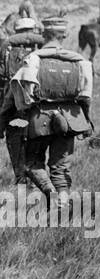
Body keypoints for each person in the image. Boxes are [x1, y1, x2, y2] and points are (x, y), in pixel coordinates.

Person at [6, 18, 93, 210]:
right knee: (61, 167)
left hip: (39, 120)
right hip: (71, 120)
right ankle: (62, 203)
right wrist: (87, 122)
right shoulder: (82, 62)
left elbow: (22, 95)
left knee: (32, 163)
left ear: (44, 35)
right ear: (65, 35)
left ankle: (50, 193)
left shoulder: (34, 59)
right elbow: (86, 97)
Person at [0, 17, 45, 184]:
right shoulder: (43, 43)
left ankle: (20, 177)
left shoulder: (6, 44)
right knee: (38, 142)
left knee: (14, 138)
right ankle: (39, 176)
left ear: (16, 29)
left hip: (12, 100)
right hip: (38, 101)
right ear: (33, 28)